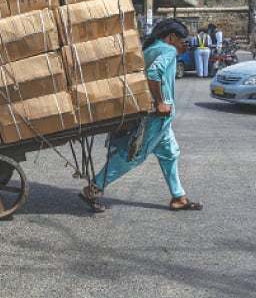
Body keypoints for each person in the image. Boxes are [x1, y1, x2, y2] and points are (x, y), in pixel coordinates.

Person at [81, 18, 202, 212]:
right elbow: (153, 74)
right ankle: (93, 188)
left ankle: (179, 197)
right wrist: (161, 102)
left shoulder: (151, 48)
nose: (184, 44)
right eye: (182, 39)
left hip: (160, 117)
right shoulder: (167, 50)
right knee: (133, 156)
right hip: (157, 116)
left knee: (170, 153)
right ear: (171, 37)